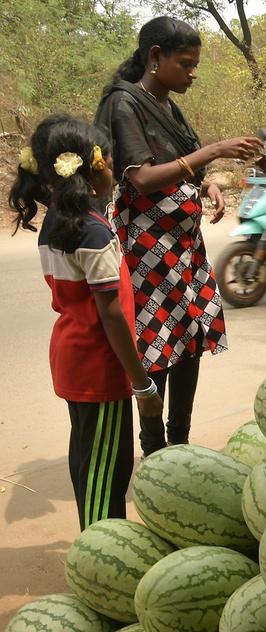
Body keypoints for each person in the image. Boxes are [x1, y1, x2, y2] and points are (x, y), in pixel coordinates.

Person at [94, 16, 266, 456]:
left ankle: (181, 438)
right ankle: (155, 446)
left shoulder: (167, 104)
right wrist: (211, 152)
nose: (193, 73)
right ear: (155, 57)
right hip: (148, 250)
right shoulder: (125, 104)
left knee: (189, 338)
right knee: (155, 344)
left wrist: (206, 182)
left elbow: (181, 166)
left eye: (196, 64)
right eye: (186, 63)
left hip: (184, 247)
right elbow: (142, 178)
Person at [8, 116, 164, 528]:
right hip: (100, 366)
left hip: (73, 357)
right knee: (105, 473)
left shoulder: (57, 221)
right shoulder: (92, 233)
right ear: (96, 168)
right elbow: (111, 314)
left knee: (88, 457)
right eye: (111, 160)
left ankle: (97, 542)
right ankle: (100, 553)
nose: (114, 169)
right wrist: (141, 383)